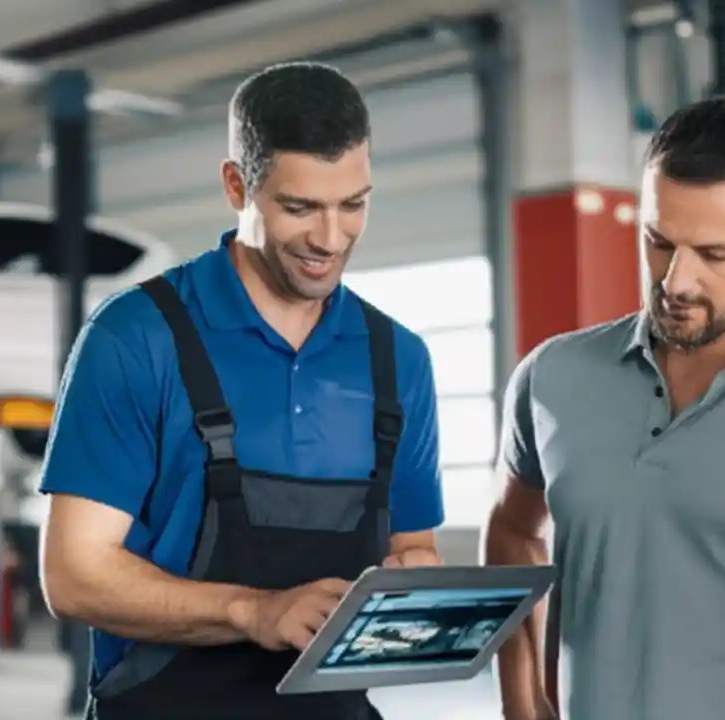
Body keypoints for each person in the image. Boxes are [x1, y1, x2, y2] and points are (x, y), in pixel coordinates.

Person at [37, 61, 446, 720]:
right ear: (236, 185)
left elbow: (411, 547)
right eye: (299, 208)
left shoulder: (398, 360)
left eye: (353, 204)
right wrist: (254, 611)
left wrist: (418, 580)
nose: (330, 238)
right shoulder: (137, 338)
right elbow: (73, 576)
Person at [485, 96, 725, 720]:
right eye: (658, 242)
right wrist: (522, 702)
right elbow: (513, 530)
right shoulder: (552, 376)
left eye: (715, 255)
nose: (676, 281)